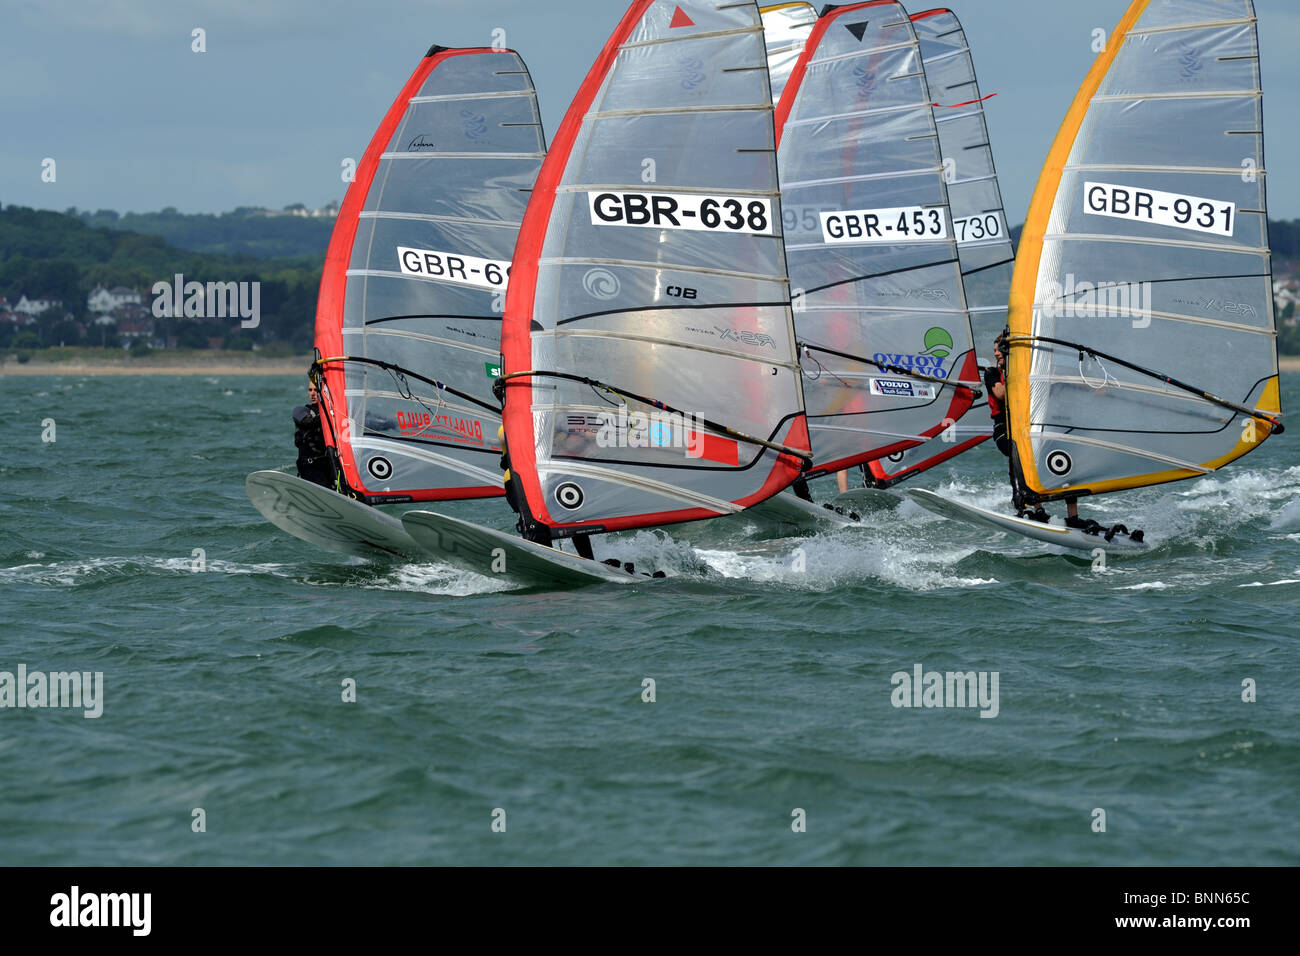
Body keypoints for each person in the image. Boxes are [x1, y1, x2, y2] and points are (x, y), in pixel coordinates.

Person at [294, 377, 333, 488]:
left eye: (316, 390)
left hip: (329, 466)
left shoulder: (334, 413)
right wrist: (331, 413)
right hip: (309, 466)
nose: (312, 394)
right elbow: (308, 422)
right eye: (310, 390)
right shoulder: (301, 411)